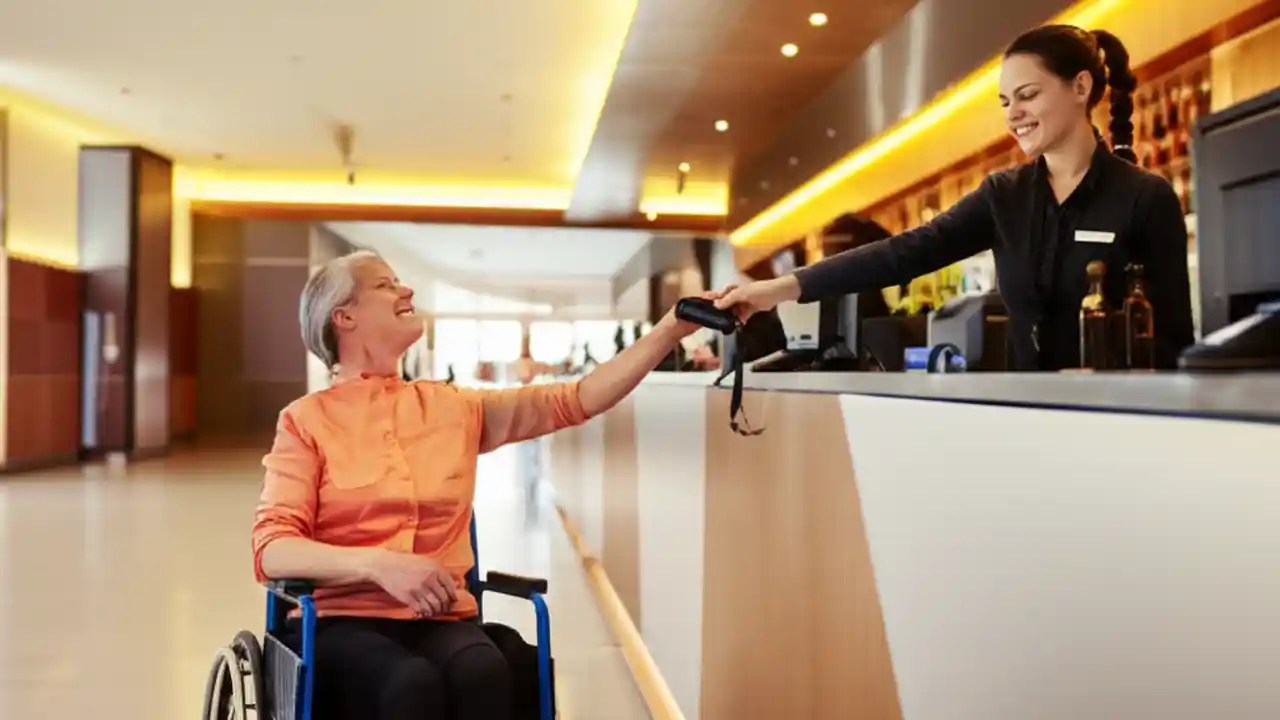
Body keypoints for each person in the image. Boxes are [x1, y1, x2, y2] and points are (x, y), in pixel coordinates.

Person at [252, 250, 716, 720]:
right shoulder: (305, 421)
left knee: (486, 670)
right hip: (339, 620)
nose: (406, 290)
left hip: (440, 615)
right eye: (386, 285)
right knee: (408, 685)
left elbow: (577, 399)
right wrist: (378, 565)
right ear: (344, 316)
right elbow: (273, 547)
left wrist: (670, 329)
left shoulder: (453, 408)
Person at [717, 25, 1194, 370]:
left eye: (1027, 95)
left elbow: (1176, 341)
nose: (1015, 115)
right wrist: (774, 290)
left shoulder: (1144, 197)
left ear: (1081, 87)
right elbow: (902, 254)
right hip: (1032, 420)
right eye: (1006, 102)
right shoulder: (1003, 196)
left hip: (1125, 423)